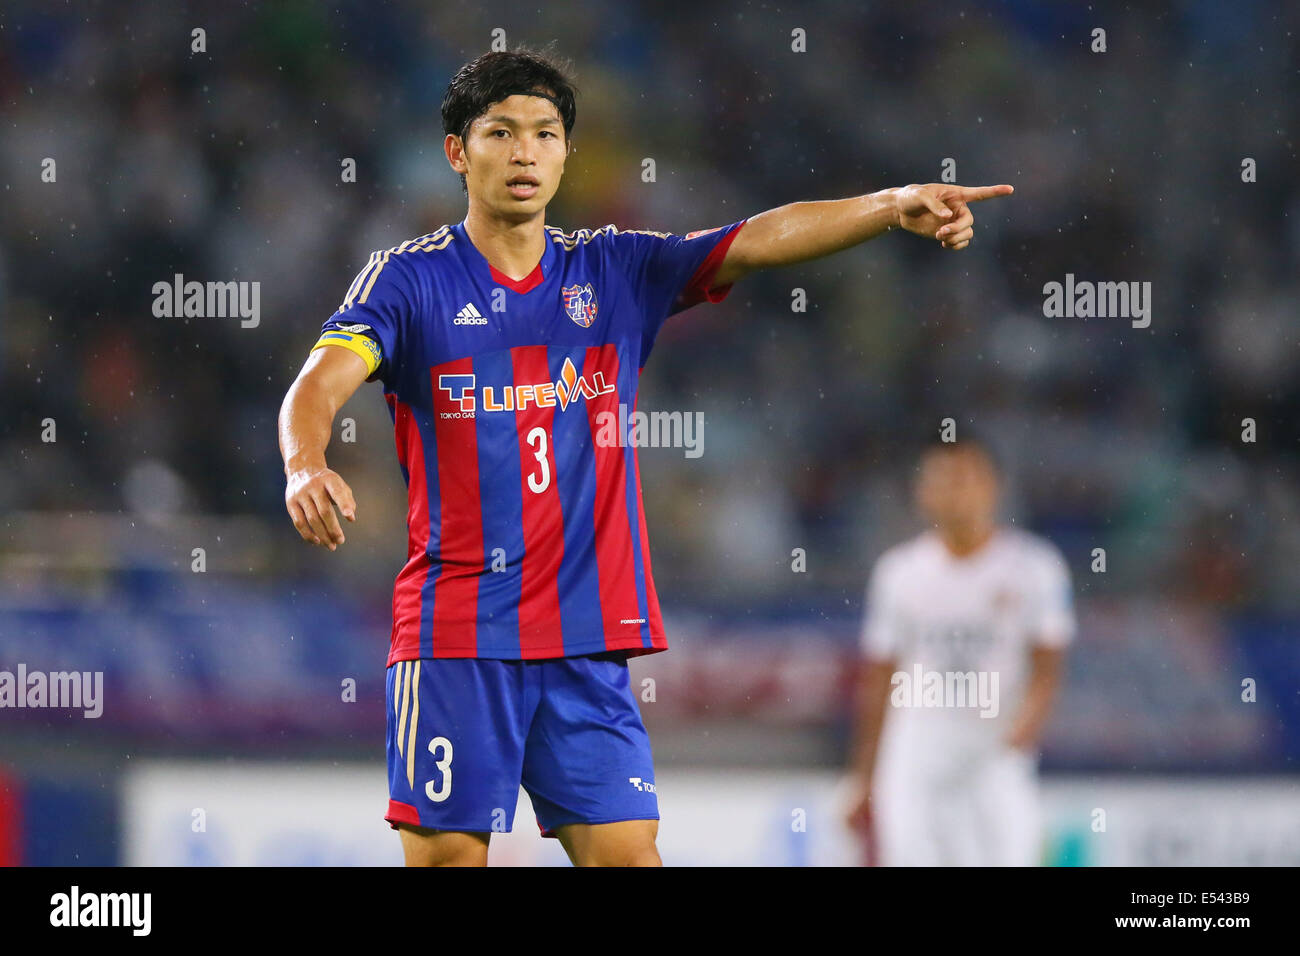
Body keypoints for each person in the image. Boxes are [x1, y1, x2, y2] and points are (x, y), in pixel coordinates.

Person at [277, 46, 1013, 867]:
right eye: (501, 132)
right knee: (451, 859)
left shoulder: (615, 269)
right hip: (459, 636)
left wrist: (890, 204)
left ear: (567, 152)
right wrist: (306, 463)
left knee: (629, 856)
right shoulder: (409, 282)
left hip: (586, 639)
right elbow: (316, 383)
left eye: (546, 134)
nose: (525, 152)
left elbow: (756, 240)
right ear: (458, 151)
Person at [844, 435, 1075, 865]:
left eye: (964, 478)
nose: (954, 492)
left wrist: (1019, 737)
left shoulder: (1034, 568)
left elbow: (1047, 670)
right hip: (918, 750)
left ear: (993, 486)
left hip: (994, 750)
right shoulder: (899, 573)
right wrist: (864, 778)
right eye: (941, 480)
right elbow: (880, 679)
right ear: (921, 492)